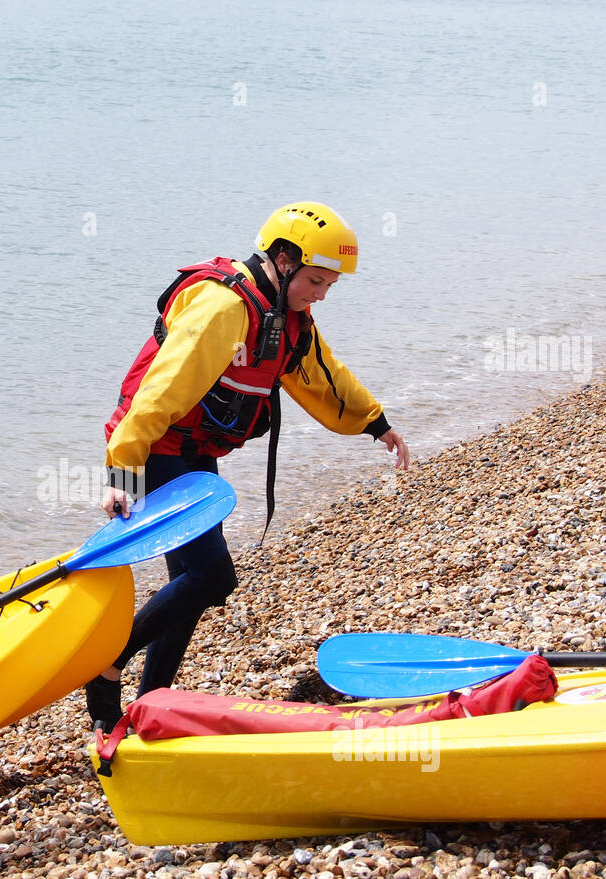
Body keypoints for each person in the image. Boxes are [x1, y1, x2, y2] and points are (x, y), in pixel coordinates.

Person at [88, 201, 409, 728]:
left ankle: (148, 708)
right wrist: (122, 471)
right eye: (315, 280)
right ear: (283, 260)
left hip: (196, 457)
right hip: (154, 449)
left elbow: (324, 374)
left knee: (189, 588)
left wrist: (375, 422)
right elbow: (158, 393)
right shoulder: (223, 308)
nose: (322, 294)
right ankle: (107, 667)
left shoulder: (288, 318)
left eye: (330, 284)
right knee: (214, 578)